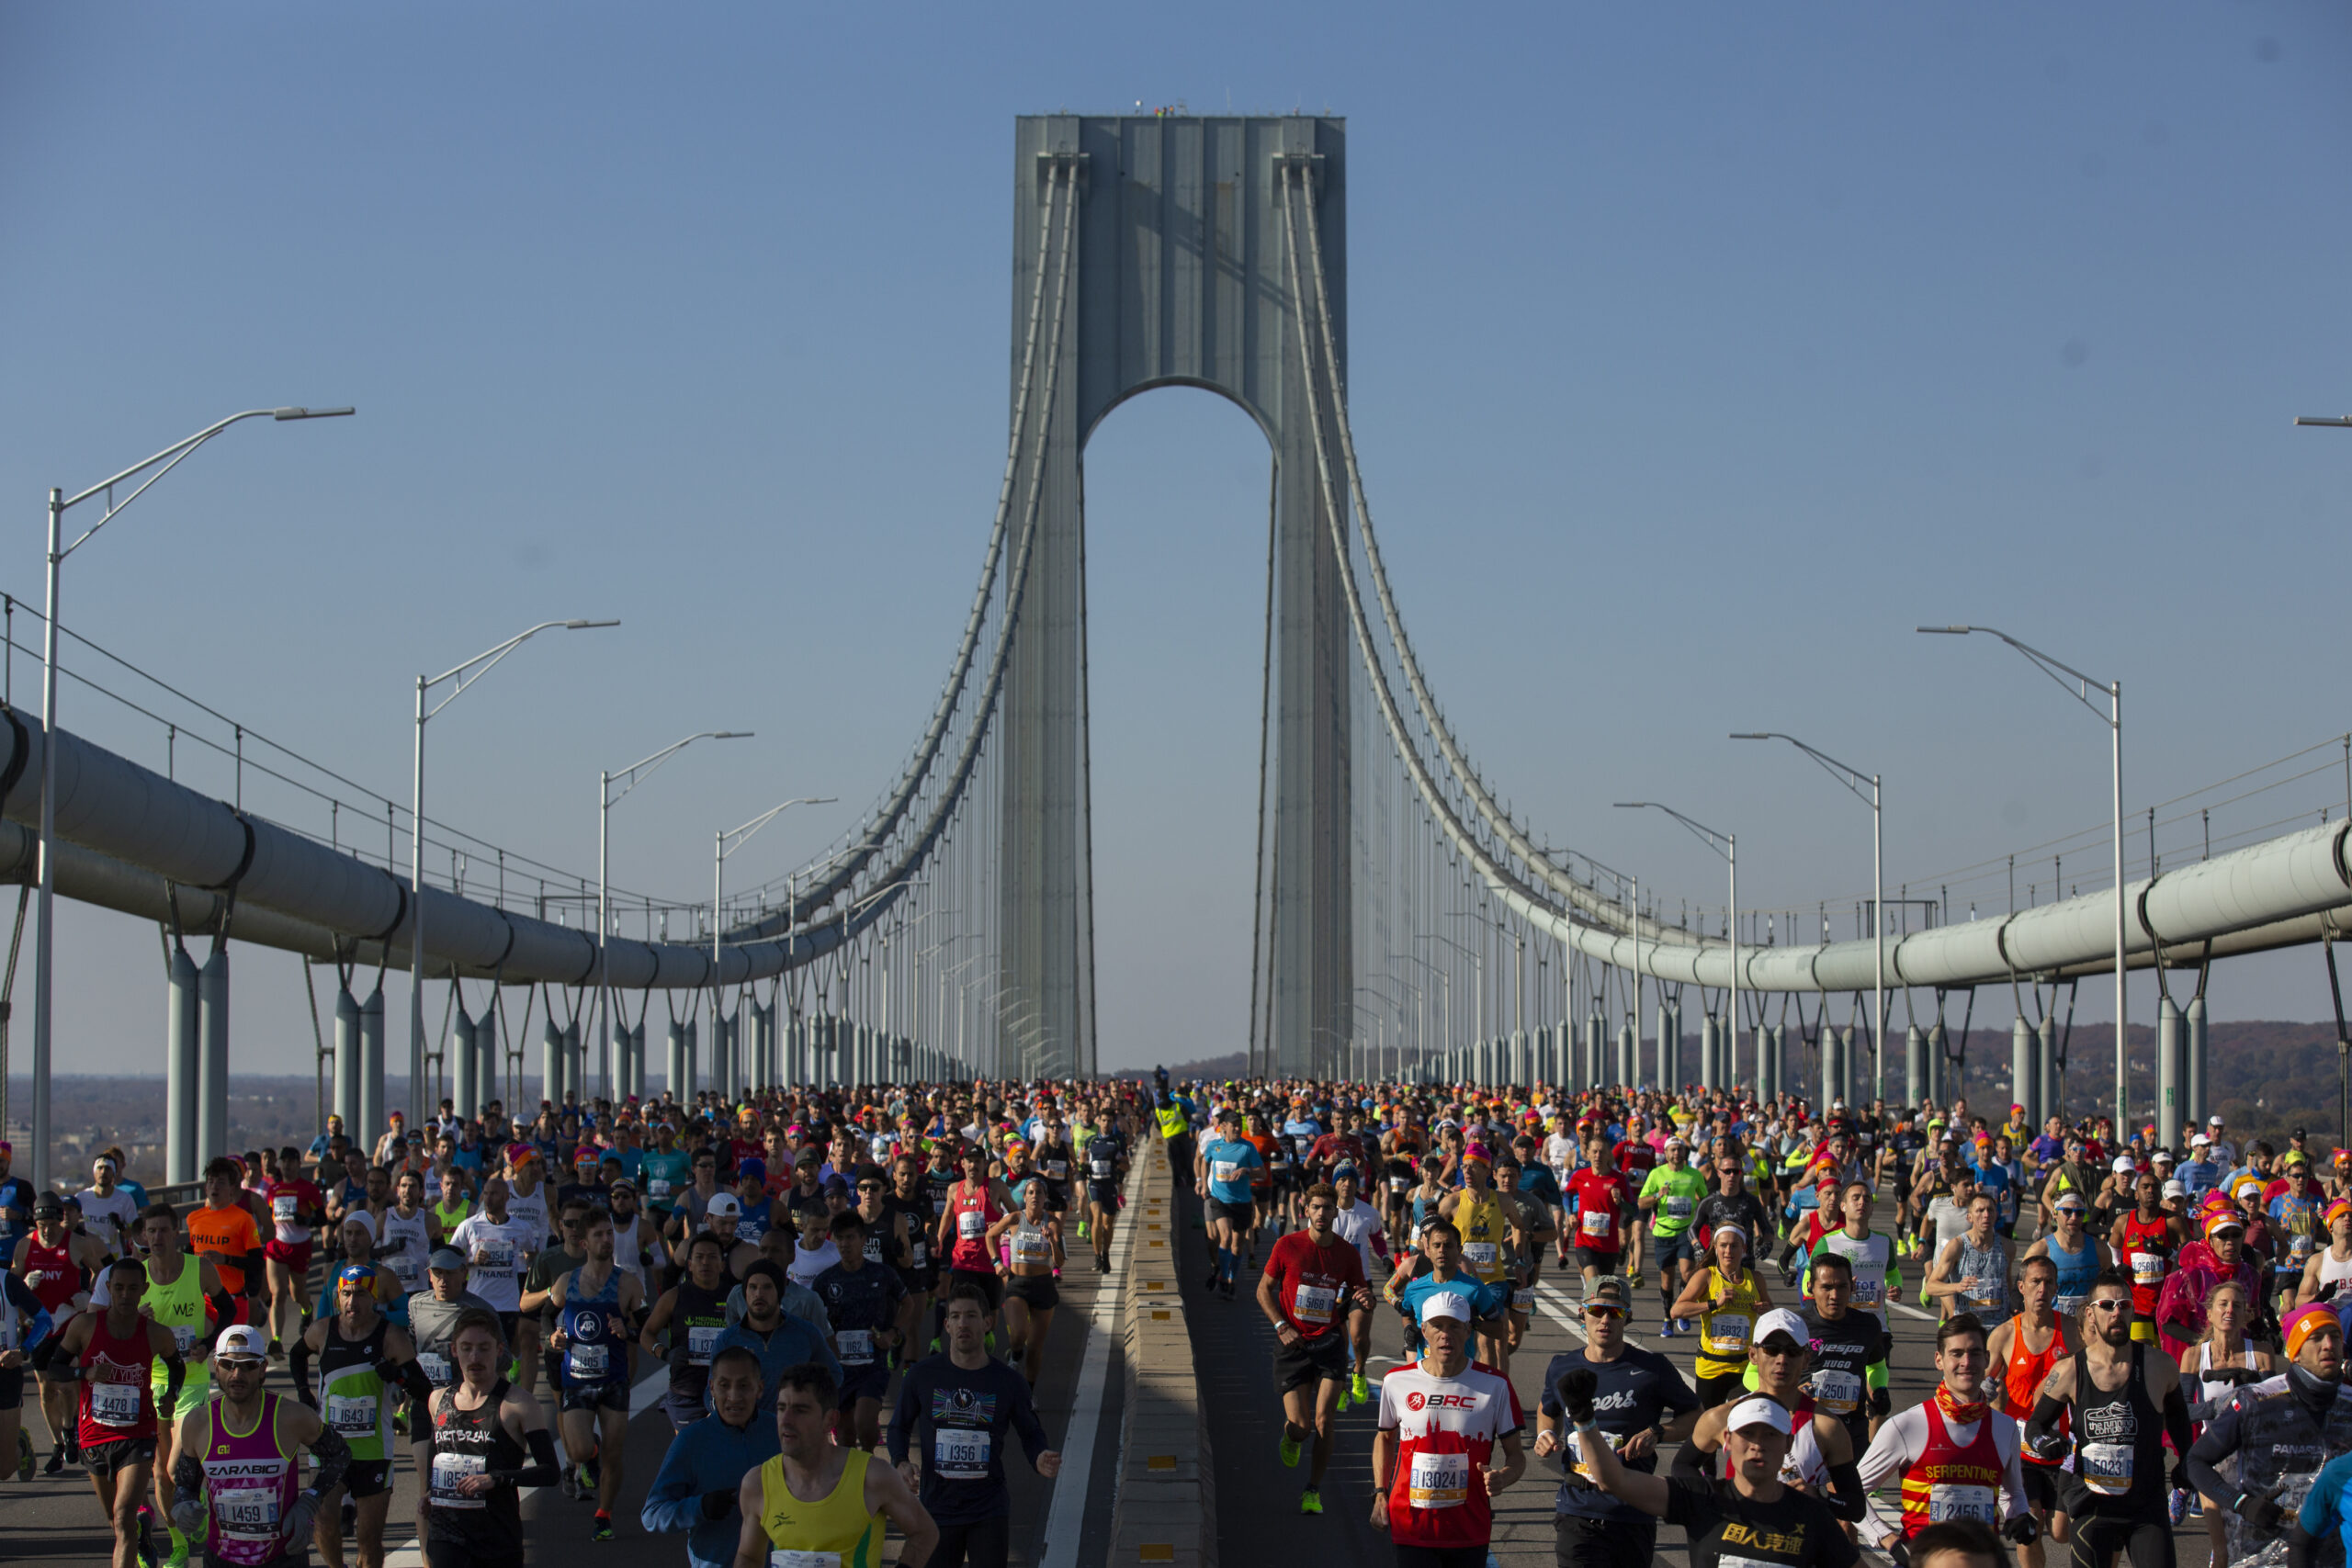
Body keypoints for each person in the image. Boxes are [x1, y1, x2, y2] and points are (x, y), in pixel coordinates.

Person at [1565, 1377, 1859, 1568]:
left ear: (1788, 1443)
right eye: (1747, 1434)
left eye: (1770, 1435)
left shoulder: (1812, 1515)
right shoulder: (1704, 1500)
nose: (1757, 1445)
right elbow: (1615, 1480)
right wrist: (1584, 1420)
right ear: (1728, 1441)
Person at [2021, 1268, 2194, 1568]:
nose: (2116, 1313)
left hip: (2145, 1507)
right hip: (2092, 1506)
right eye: (2107, 1306)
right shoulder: (2067, 1371)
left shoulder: (2160, 1365)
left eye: (2124, 1305)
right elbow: (2036, 1425)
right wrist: (2044, 1441)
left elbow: (2179, 1416)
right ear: (2090, 1314)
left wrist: (2187, 1461)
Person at [1532, 1277, 1701, 1568]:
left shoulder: (1653, 1368)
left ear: (1628, 1317)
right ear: (1582, 1313)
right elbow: (1548, 1408)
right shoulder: (1562, 1366)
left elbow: (1696, 1415)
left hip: (1633, 1509)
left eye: (1616, 1312)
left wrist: (1658, 1432)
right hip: (1578, 1510)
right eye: (1597, 1310)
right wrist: (1546, 1432)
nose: (1605, 1319)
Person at [888, 1281, 1059, 1568]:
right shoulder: (922, 1375)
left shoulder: (1008, 1381)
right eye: (955, 1317)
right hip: (937, 1509)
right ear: (946, 1325)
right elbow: (898, 1427)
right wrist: (901, 1462)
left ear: (988, 1322)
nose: (962, 1323)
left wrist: (1039, 1456)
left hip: (988, 1509)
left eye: (970, 1315)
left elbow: (1030, 1432)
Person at [166, 1325, 350, 1568]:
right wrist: (183, 1506)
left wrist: (310, 1501)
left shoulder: (291, 1416)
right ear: (216, 1367)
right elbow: (186, 1486)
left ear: (263, 1369)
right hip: (222, 1559)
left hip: (282, 1558)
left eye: (248, 1365)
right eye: (228, 1364)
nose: (237, 1375)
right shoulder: (198, 1423)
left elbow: (339, 1453)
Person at [44, 1256, 186, 1568]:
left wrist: (171, 1396)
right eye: (118, 1288)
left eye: (132, 1289)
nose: (124, 1295)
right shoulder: (84, 1325)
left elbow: (177, 1367)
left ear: (144, 1290)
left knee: (123, 1516)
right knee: (114, 1519)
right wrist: (85, 1373)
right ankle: (140, 1535)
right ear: (108, 1288)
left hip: (138, 1433)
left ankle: (134, 1533)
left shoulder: (157, 1333)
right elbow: (54, 1367)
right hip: (95, 1433)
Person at [2186, 1302, 2352, 1567]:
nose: (2329, 1345)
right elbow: (2195, 1461)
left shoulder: (2349, 1404)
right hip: (2260, 1554)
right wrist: (2242, 1504)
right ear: (2295, 1353)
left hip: (2331, 1556)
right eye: (2316, 1338)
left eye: (2335, 1336)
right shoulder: (2256, 1400)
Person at [1370, 1292, 1525, 1568]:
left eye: (1454, 1326)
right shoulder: (1397, 1381)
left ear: (1468, 1331)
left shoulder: (1495, 1385)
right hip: (1411, 1524)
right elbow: (1385, 1437)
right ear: (1423, 1330)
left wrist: (1504, 1477)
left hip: (1469, 1528)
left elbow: (1517, 1456)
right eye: (1438, 1326)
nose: (1445, 1334)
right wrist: (1380, 1493)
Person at [731, 1361, 938, 1568]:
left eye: (800, 1410)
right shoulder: (758, 1483)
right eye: (781, 1408)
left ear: (830, 1419)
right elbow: (749, 1557)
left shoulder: (873, 1477)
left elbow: (924, 1533)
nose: (786, 1420)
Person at [1857, 1314, 2037, 1551]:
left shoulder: (2005, 1428)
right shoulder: (1907, 1425)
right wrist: (1887, 1539)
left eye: (1974, 1353)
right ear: (1939, 1360)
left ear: (1986, 1359)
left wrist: (2020, 1516)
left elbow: (2012, 1493)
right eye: (1957, 1353)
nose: (1966, 1362)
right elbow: (1852, 1491)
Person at [413, 1307, 560, 1568]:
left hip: (497, 1540)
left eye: (483, 1348)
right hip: (447, 1536)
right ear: (455, 1350)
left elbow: (550, 1472)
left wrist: (496, 1478)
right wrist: (429, 1492)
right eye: (467, 1348)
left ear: (499, 1350)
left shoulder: (519, 1404)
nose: (475, 1357)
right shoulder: (439, 1400)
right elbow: (437, 1454)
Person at [540, 1205, 645, 1539]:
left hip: (613, 1380)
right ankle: (591, 1453)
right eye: (598, 1235)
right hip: (577, 1380)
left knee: (615, 1456)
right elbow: (545, 1315)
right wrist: (552, 1336)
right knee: (578, 1451)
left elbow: (647, 1329)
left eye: (609, 1233)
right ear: (584, 1243)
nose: (606, 1240)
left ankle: (604, 1514)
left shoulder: (627, 1283)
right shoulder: (566, 1282)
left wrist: (625, 1328)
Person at [642, 1343, 780, 1568]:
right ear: (712, 1388)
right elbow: (653, 1514)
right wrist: (699, 1507)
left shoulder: (779, 1433)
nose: (734, 1396)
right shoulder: (690, 1441)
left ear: (760, 1389)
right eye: (724, 1385)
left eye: (744, 1386)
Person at [1986, 1254, 2075, 1568]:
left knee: (2062, 1532)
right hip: (2021, 1451)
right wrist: (1985, 1393)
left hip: (2064, 1450)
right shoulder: (2004, 1335)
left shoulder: (2074, 1331)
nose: (2042, 1288)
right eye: (2035, 1282)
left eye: (2048, 1282)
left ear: (2056, 1288)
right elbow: (1981, 1383)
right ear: (2021, 1287)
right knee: (2030, 1527)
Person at [18, 1189, 107, 1472]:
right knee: (46, 1387)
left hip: (69, 1321)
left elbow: (101, 1274)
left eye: (51, 1226)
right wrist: (24, 1286)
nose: (45, 1231)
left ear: (60, 1222)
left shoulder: (78, 1244)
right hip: (39, 1325)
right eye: (40, 1225)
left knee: (67, 1385)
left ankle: (70, 1429)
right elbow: (11, 1281)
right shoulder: (25, 1245)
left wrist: (88, 1294)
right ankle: (58, 1443)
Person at [813, 1207, 907, 1450]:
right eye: (840, 1238)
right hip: (840, 1367)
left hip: (872, 1366)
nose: (845, 1244)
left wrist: (893, 1333)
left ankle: (868, 1465)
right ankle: (851, 1483)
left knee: (864, 1423)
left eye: (850, 1237)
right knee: (844, 1437)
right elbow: (813, 1319)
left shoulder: (882, 1274)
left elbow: (908, 1303)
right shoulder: (825, 1281)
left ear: (863, 1240)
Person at [708, 1260, 842, 1414]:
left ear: (779, 1292)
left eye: (767, 1287)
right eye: (752, 1287)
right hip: (743, 1431)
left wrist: (806, 1400)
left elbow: (835, 1375)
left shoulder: (807, 1333)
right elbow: (710, 1391)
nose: (758, 1294)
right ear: (745, 1293)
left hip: (794, 1430)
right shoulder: (727, 1340)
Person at [1671, 1222, 1773, 1404]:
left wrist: (1765, 1310)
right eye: (1723, 1246)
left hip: (1744, 1366)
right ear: (1715, 1248)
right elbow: (1676, 1311)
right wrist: (1713, 1304)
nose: (1728, 1251)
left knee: (1741, 1423)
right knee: (1709, 1425)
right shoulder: (1706, 1276)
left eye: (1734, 1246)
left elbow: (1773, 1316)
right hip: (1711, 1366)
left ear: (1744, 1249)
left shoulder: (1755, 1278)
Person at [447, 1176, 532, 1348]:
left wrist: (529, 1266)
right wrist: (472, 1260)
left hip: (507, 1304)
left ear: (506, 1197)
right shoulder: (470, 1225)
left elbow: (532, 1252)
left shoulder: (521, 1227)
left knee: (502, 1354)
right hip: (477, 1301)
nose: (488, 1198)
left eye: (493, 1194)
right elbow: (450, 1258)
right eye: (485, 1193)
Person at [989, 1179, 1058, 1387]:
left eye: (1039, 1193)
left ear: (1045, 1197)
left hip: (1044, 1285)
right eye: (1031, 1192)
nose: (1035, 1196)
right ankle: (1015, 1352)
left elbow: (1060, 1260)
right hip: (1018, 1284)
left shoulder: (1052, 1222)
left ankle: (1028, 1391)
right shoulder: (1014, 1219)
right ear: (1024, 1197)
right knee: (1018, 1335)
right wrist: (996, 1262)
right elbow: (990, 1235)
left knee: (1036, 1346)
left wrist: (1052, 1241)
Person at [263, 1145, 328, 1359]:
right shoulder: (273, 1190)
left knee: (296, 1293)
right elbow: (268, 1218)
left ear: (299, 1164)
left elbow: (322, 1218)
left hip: (300, 1246)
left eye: (292, 1161)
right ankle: (276, 1341)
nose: (288, 1165)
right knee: (278, 1294)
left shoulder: (307, 1189)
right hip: (277, 1246)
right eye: (284, 1161)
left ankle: (306, 1309)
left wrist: (306, 1220)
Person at [1636, 1136, 1705, 1331]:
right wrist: (1658, 1195)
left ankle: (1682, 1308)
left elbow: (1705, 1198)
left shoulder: (1694, 1174)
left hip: (1686, 1231)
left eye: (1680, 1150)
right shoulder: (1657, 1174)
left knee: (1687, 1273)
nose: (1677, 1153)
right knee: (1667, 1279)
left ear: (1685, 1153)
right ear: (1666, 1154)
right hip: (1664, 1233)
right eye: (1673, 1150)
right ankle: (1667, 1318)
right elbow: (1641, 1202)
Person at [2109, 1171, 2185, 1345]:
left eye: (2155, 1187)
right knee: (2142, 1355)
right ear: (2136, 1194)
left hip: (2166, 1304)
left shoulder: (2172, 1221)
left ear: (2161, 1193)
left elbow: (2190, 1255)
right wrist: (2117, 1266)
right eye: (2145, 1187)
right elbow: (2112, 1248)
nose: (2151, 1190)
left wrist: (2168, 1253)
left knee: (2163, 1359)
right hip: (2135, 1304)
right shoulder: (2124, 1221)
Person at [1196, 1110, 1263, 1300]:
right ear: (1223, 1127)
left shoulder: (1247, 1148)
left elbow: (1263, 1173)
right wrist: (1202, 1183)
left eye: (1239, 1125)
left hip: (1241, 1202)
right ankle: (1224, 1278)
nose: (1236, 1128)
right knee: (1224, 1237)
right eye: (1233, 1125)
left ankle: (1232, 1278)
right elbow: (1204, 1161)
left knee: (1237, 1246)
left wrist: (1246, 1170)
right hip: (1219, 1200)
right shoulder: (1214, 1146)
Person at [1928, 1193, 2016, 1324]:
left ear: (1996, 1215)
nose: (1986, 1215)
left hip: (1999, 1328)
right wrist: (1958, 1287)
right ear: (1969, 1217)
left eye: (1990, 1210)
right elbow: (1931, 1286)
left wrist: (2012, 1307)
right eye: (1980, 1211)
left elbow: (2007, 1282)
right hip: (1969, 1328)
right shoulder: (1957, 1246)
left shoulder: (2007, 1246)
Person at [2022, 1193, 2107, 1321]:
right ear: (2055, 1214)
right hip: (2054, 1327)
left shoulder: (2100, 1249)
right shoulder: (2040, 1250)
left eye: (2079, 1213)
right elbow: (2021, 1291)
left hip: (2088, 1327)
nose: (2074, 1217)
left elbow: (2109, 1286)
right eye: (2067, 1211)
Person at [1081, 1107, 1128, 1272]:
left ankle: (1106, 1253)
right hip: (1094, 1184)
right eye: (1103, 1120)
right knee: (1096, 1218)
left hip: (1110, 1185)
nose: (1106, 1124)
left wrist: (1115, 1163)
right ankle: (1097, 1256)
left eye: (1109, 1121)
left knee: (1108, 1224)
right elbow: (1083, 1158)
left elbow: (1126, 1165)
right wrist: (1083, 1168)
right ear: (1098, 1121)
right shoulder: (1091, 1140)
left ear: (1113, 1123)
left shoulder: (1117, 1141)